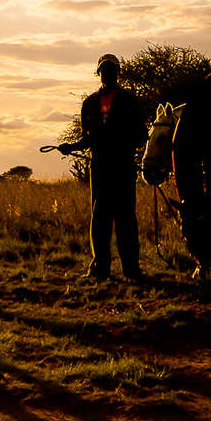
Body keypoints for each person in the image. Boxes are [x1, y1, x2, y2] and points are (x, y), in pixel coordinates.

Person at [57, 53, 146, 281]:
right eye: (104, 70)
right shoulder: (89, 103)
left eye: (112, 70)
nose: (108, 74)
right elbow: (87, 138)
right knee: (100, 219)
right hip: (99, 169)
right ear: (99, 74)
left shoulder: (130, 100)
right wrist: (71, 146)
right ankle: (100, 268)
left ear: (118, 73)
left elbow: (141, 135)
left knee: (126, 219)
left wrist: (119, 142)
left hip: (124, 169)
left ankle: (131, 270)